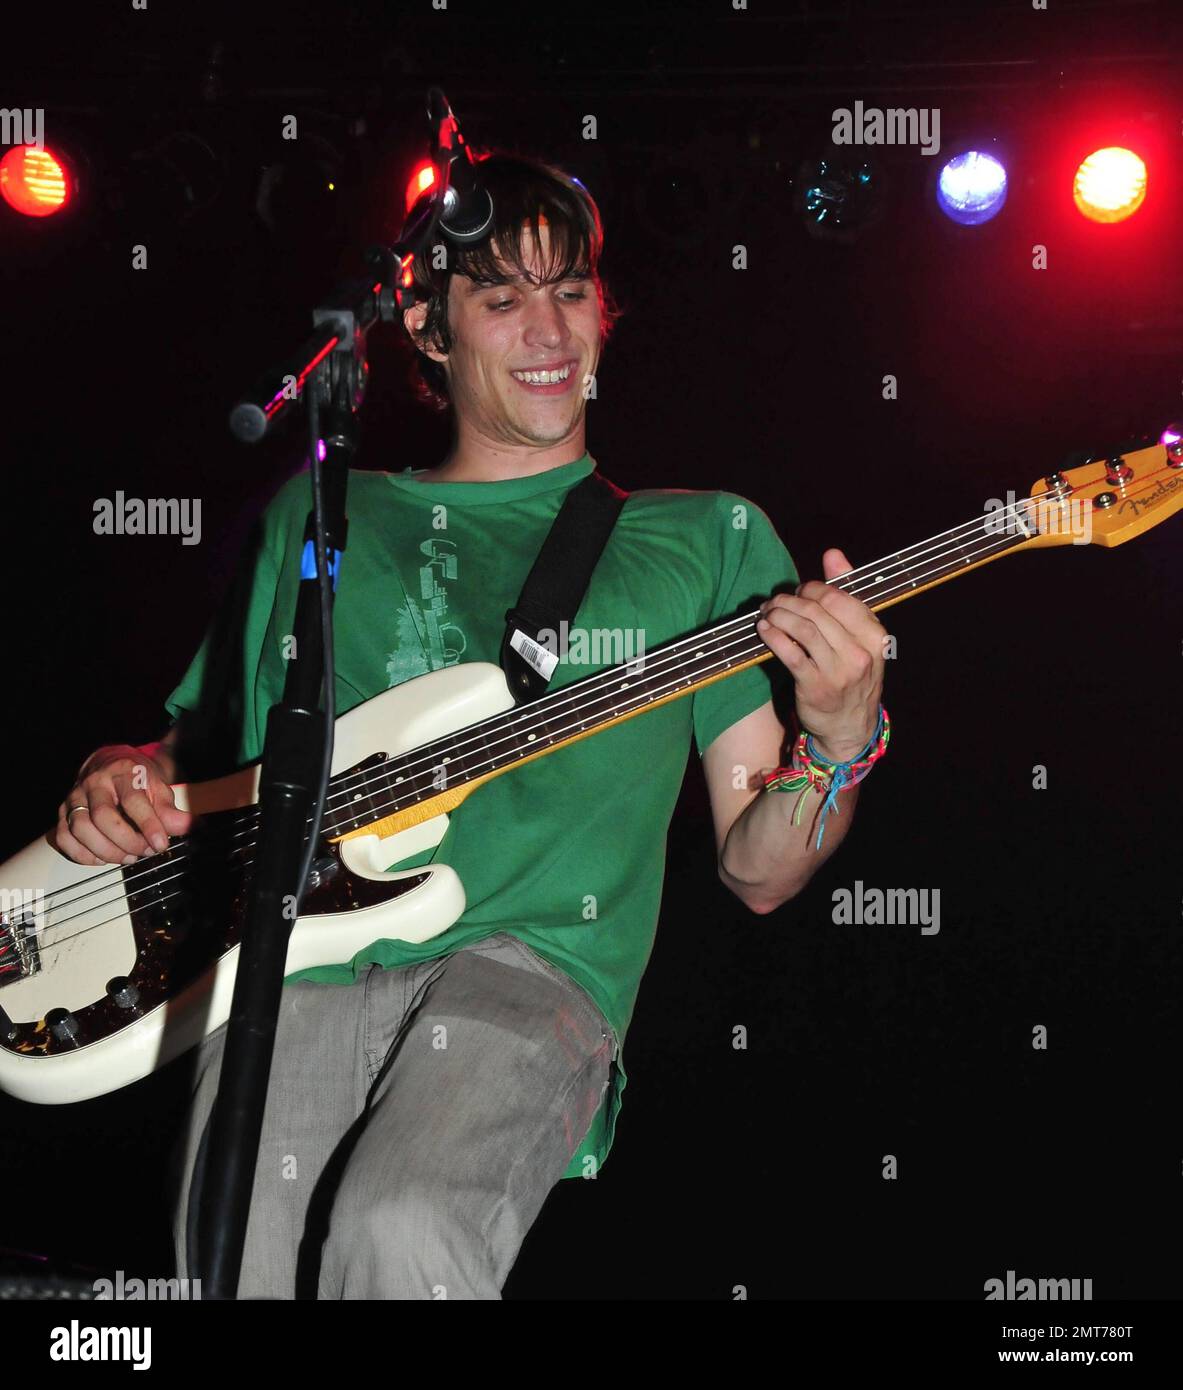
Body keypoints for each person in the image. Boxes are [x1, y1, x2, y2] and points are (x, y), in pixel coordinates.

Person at [51, 151, 888, 1299]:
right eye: (502, 299)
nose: (549, 329)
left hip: (531, 960)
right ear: (426, 329)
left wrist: (839, 736)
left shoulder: (708, 538)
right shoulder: (322, 510)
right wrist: (117, 775)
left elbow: (757, 865)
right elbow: (198, 759)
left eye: (571, 291)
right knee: (239, 1254)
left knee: (403, 1226)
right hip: (288, 959)